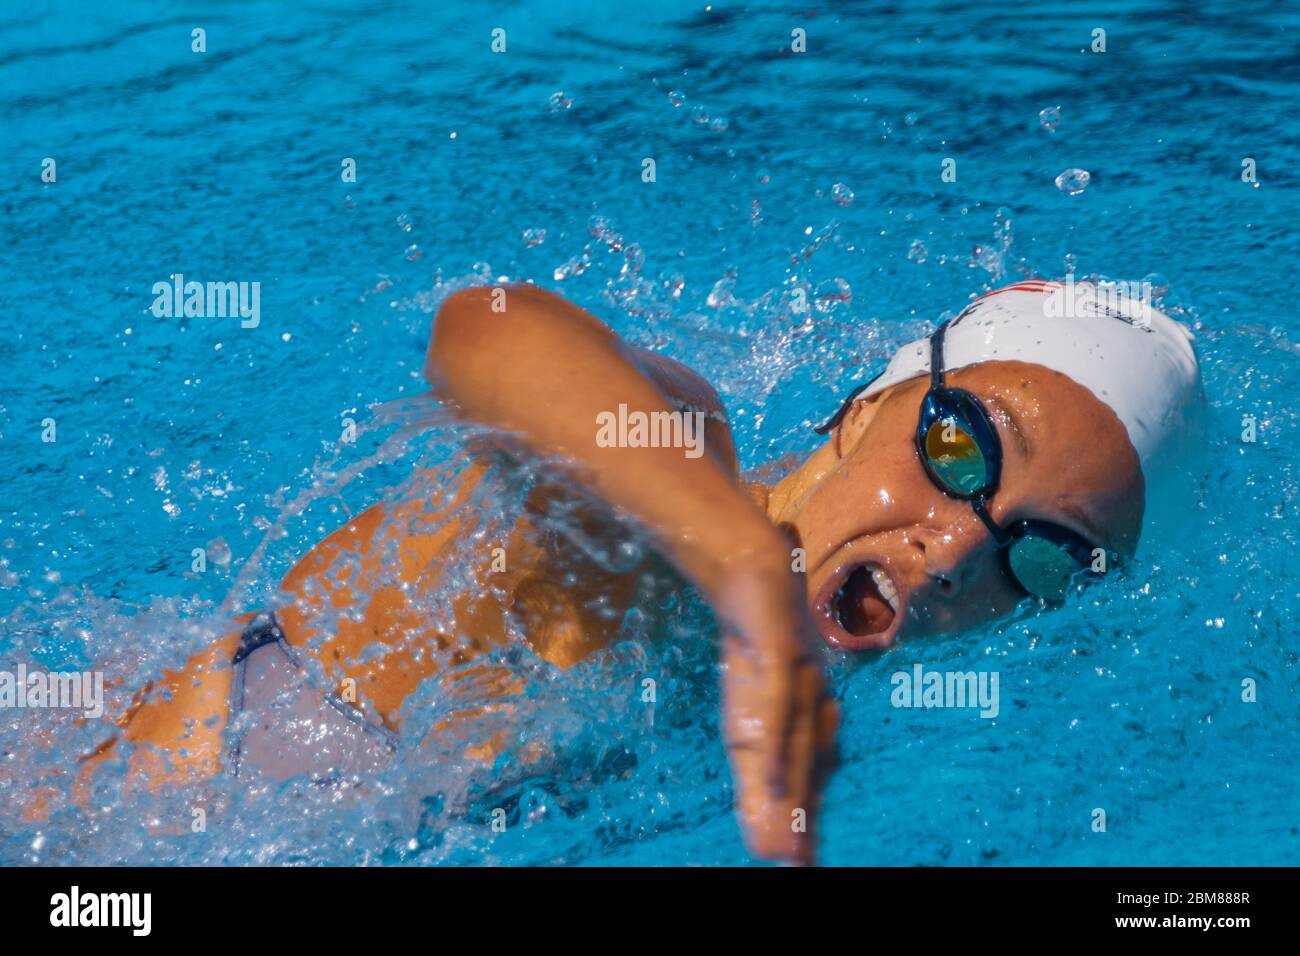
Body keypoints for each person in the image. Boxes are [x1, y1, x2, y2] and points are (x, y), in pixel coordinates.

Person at [62, 277, 1203, 865]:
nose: (955, 552)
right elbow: (488, 328)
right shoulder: (670, 488)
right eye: (964, 445)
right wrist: (744, 573)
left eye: (1043, 558)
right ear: (869, 405)